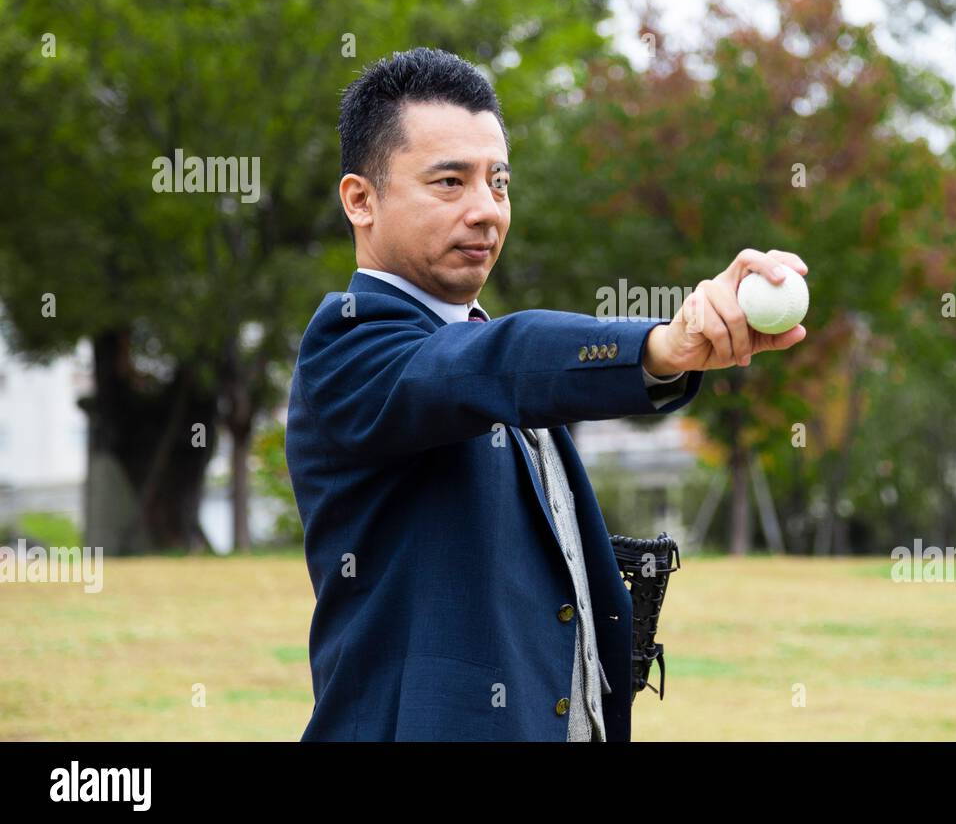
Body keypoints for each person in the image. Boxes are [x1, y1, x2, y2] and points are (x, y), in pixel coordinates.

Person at [287, 46, 808, 741]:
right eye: (450, 183)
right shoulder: (349, 347)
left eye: (498, 182)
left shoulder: (484, 360)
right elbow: (496, 362)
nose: (486, 211)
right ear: (361, 199)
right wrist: (660, 344)